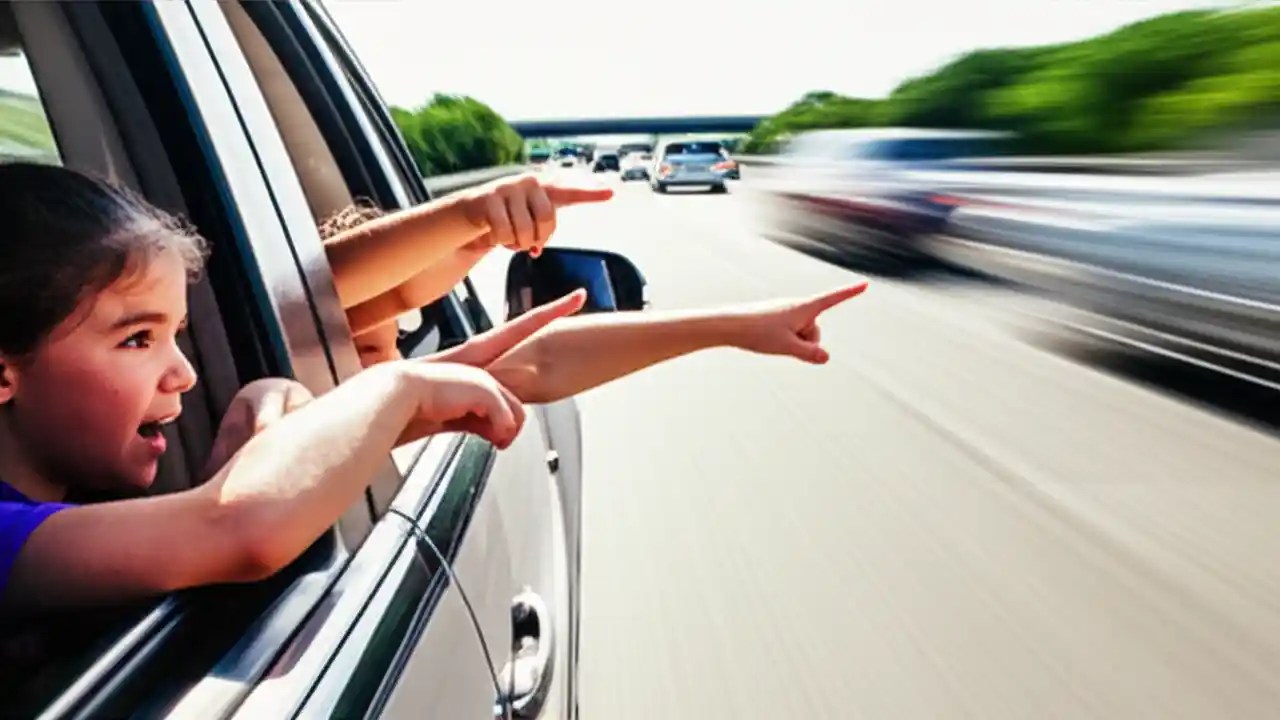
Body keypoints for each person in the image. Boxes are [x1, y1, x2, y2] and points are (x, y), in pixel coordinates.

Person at [0, 162, 864, 622]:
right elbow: (244, 526)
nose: (184, 373)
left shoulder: (93, 490)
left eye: (180, 338)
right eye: (139, 338)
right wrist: (402, 383)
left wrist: (732, 326)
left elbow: (514, 370)